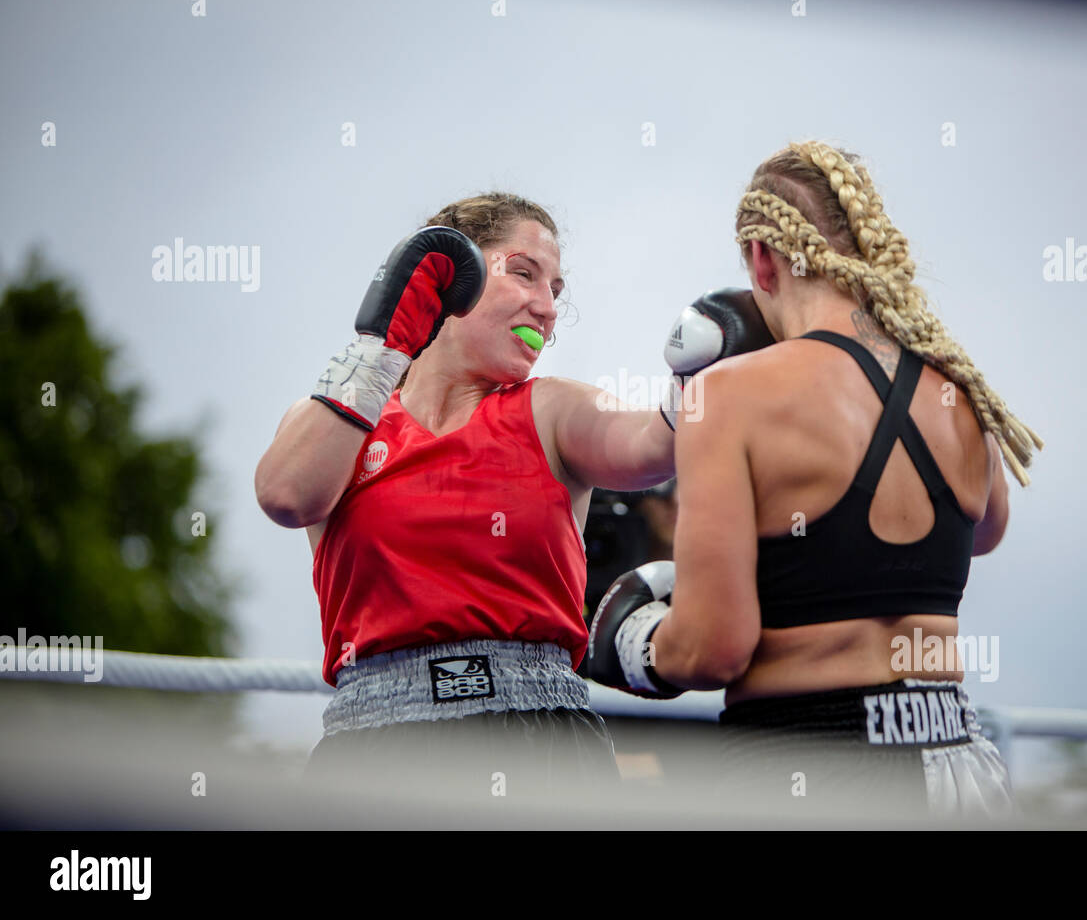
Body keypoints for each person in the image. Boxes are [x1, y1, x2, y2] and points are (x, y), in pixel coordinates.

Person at [254, 193, 768, 801]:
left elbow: (652, 443)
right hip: (370, 749)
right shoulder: (345, 421)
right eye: (524, 274)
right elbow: (286, 496)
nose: (547, 308)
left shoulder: (551, 410)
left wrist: (701, 377)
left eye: (556, 290)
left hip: (538, 743)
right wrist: (379, 352)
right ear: (448, 277)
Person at [587, 142, 1044, 820]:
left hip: (810, 767)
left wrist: (634, 639)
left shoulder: (727, 395)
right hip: (959, 763)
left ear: (761, 259)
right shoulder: (958, 388)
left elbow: (713, 650)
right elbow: (984, 531)